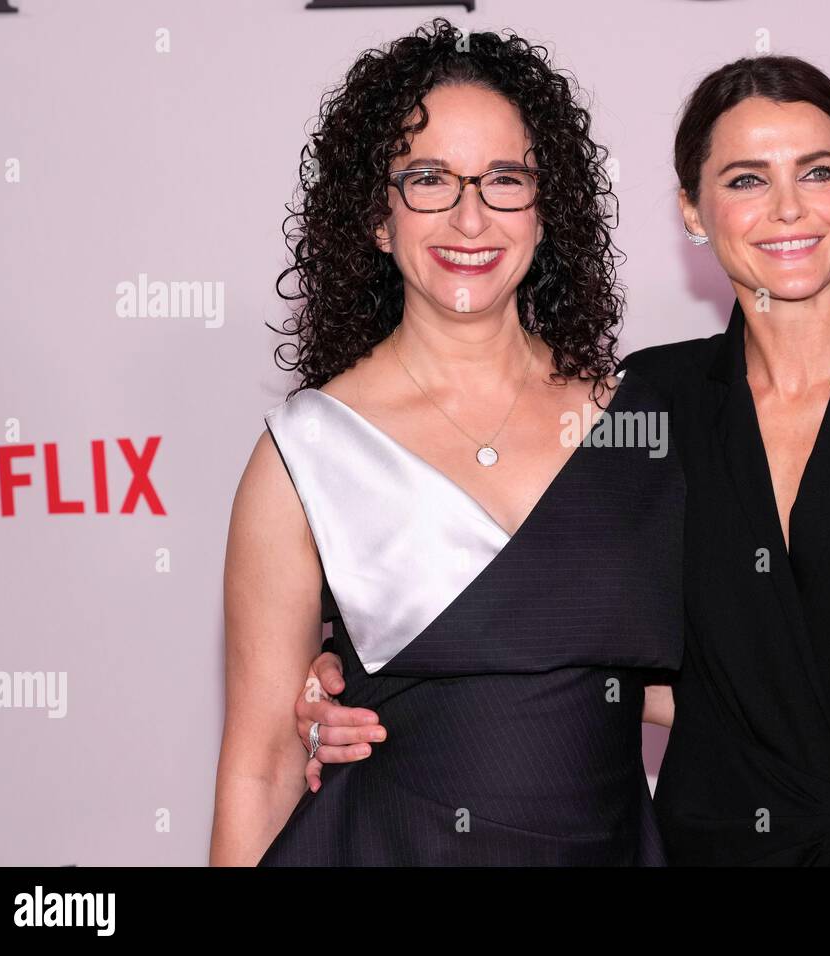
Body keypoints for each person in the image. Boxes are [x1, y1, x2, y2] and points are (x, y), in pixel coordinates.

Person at [297, 54, 830, 866]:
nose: (788, 208)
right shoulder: (648, 402)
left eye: (816, 172)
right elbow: (576, 642)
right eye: (747, 180)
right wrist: (370, 694)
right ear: (693, 210)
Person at [209, 19, 683, 866]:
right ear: (377, 218)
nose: (470, 217)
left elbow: (717, 690)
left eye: (504, 179)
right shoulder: (308, 452)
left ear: (547, 214)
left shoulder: (641, 423)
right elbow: (260, 764)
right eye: (428, 179)